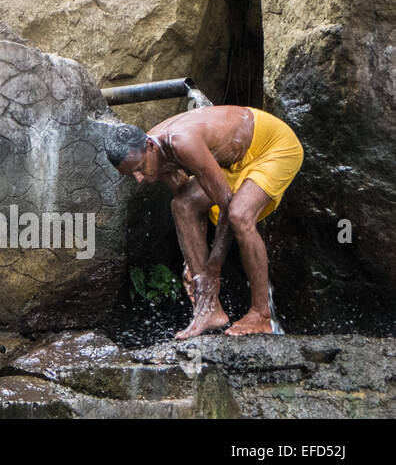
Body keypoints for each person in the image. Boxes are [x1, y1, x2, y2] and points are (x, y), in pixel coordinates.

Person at [105, 105, 303, 338]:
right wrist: (193, 267)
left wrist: (212, 271)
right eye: (131, 175)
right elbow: (189, 205)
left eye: (139, 169)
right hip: (232, 161)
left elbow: (227, 205)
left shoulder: (181, 143)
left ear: (149, 146)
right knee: (182, 205)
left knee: (239, 215)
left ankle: (261, 314)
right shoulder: (153, 157)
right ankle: (209, 310)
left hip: (273, 147)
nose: (139, 179)